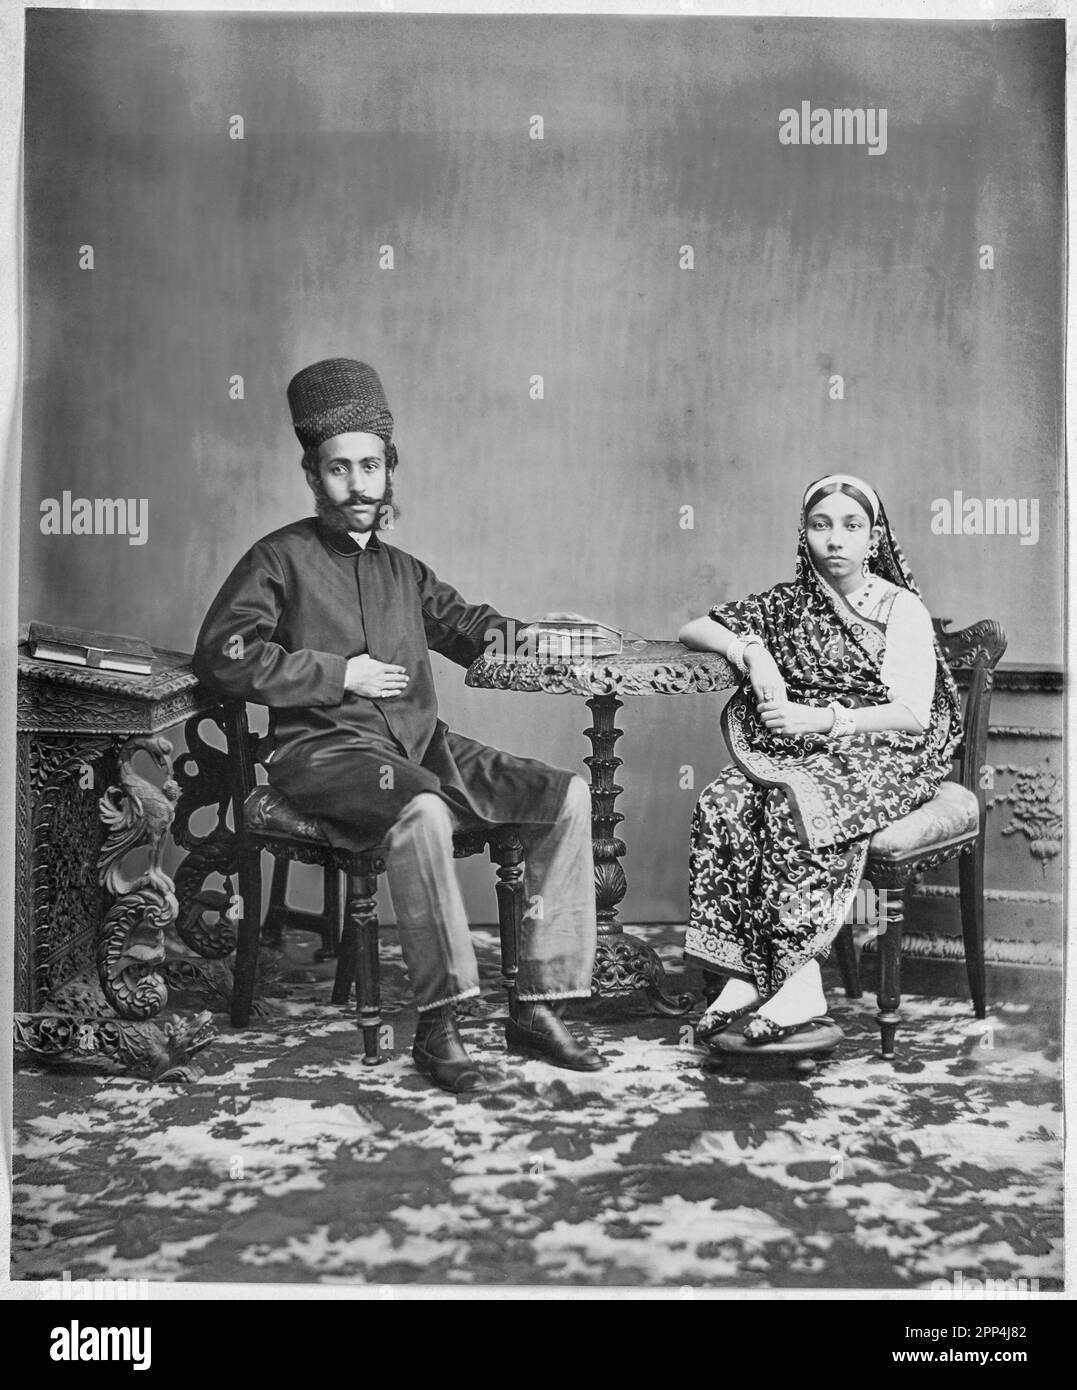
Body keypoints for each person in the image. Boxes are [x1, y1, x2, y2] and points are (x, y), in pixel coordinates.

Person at [193, 357, 604, 1092]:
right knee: (422, 810)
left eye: (370, 467)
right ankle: (439, 1026)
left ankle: (537, 1006)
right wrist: (336, 674)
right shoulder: (278, 559)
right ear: (313, 474)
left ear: (390, 470)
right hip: (323, 752)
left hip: (420, 746)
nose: (358, 485)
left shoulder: (404, 571)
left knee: (565, 796)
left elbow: (471, 629)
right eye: (339, 469)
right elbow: (222, 655)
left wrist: (550, 640)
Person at [677, 473, 961, 1045]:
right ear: (803, 534)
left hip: (885, 749)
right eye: (820, 525)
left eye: (851, 526)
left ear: (873, 538)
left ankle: (802, 980)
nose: (835, 539)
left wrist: (823, 720)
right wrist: (753, 653)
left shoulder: (899, 607)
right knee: (722, 800)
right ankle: (744, 974)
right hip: (803, 749)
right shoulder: (789, 603)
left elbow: (912, 714)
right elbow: (693, 628)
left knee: (798, 802)